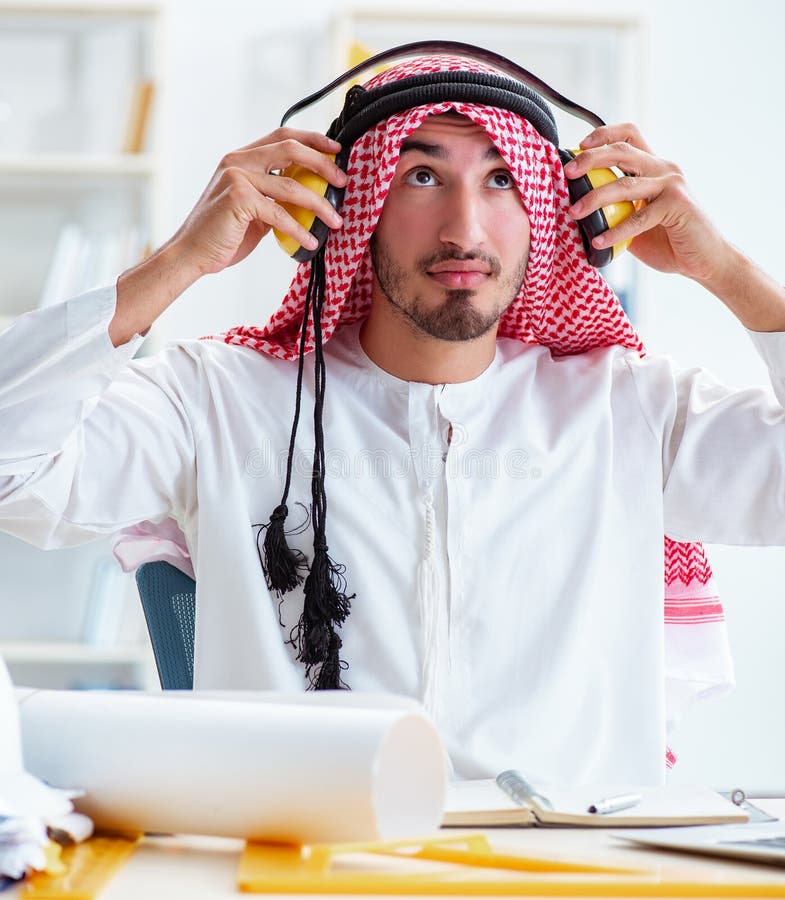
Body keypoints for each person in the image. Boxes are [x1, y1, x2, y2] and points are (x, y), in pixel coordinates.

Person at [1, 46, 785, 785]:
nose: (464, 230)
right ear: (347, 207)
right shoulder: (219, 400)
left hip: (565, 858)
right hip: (304, 853)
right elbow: (14, 472)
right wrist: (178, 261)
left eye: (501, 179)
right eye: (421, 175)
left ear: (551, 215)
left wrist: (727, 271)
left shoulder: (628, 409)